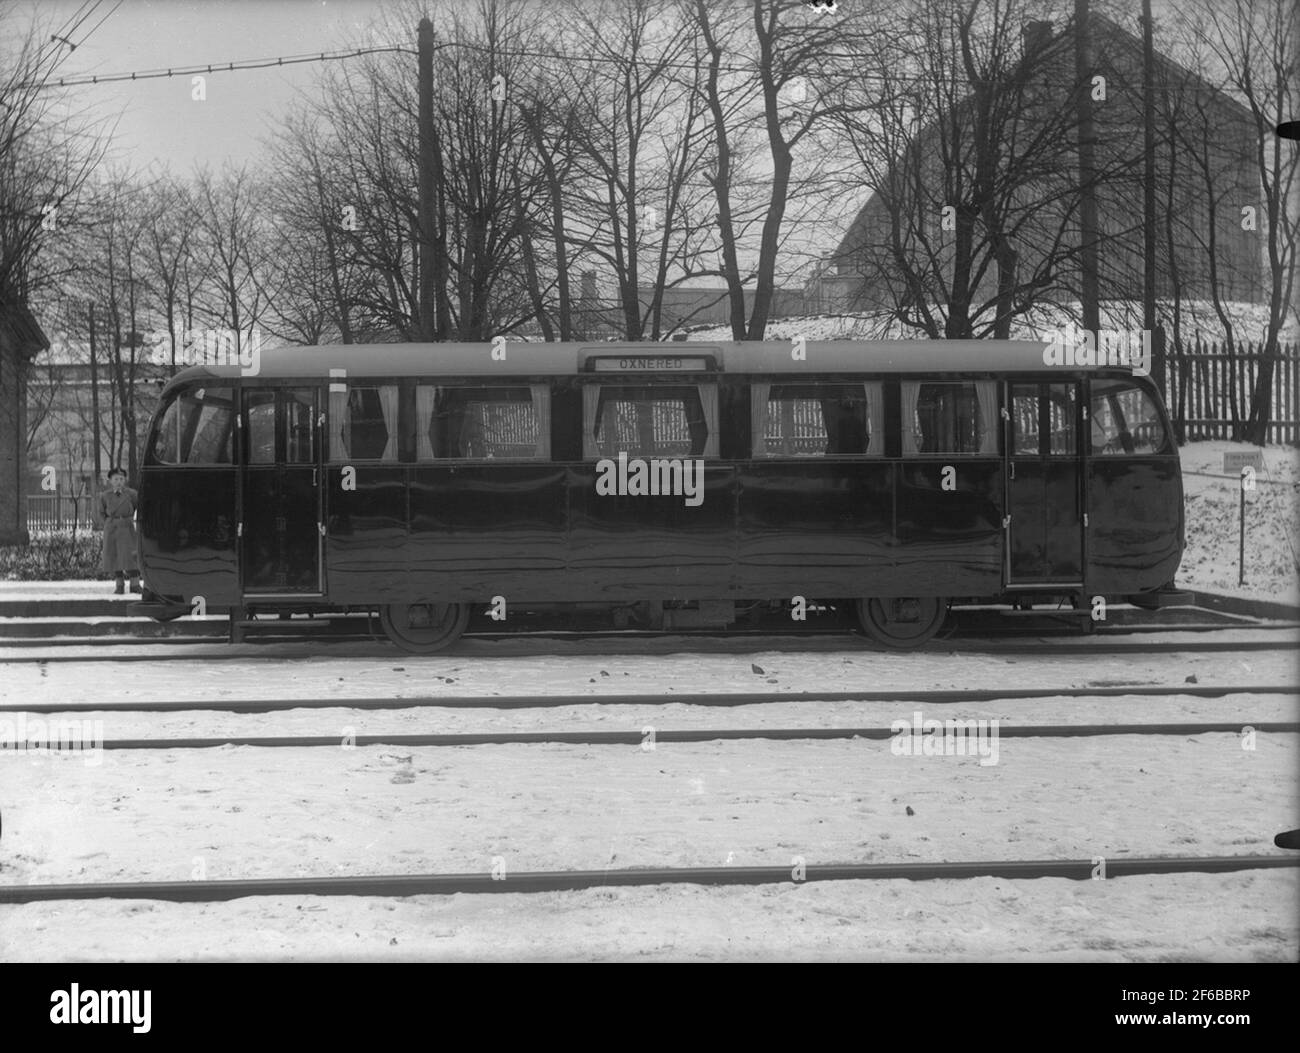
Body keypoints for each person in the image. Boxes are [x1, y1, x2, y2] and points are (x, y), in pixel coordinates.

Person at [99, 467, 140, 594]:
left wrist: (127, 520)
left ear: (125, 480)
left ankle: (135, 585)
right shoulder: (105, 496)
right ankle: (119, 585)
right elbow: (101, 512)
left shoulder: (132, 494)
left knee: (131, 556)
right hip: (112, 529)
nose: (119, 482)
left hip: (127, 528)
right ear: (110, 480)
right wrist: (110, 523)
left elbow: (137, 507)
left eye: (121, 479)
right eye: (116, 479)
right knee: (115, 557)